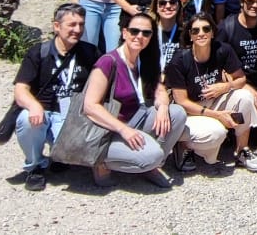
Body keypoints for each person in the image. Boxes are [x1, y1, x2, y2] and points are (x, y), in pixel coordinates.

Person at [80, 12, 188, 188]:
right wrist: (123, 130)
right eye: (134, 31)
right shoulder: (108, 62)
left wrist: (162, 107)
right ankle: (101, 162)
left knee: (176, 114)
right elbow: (90, 106)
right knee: (151, 156)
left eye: (146, 33)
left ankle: (150, 166)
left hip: (136, 119)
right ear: (124, 33)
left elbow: (158, 88)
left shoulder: (144, 59)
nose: (140, 36)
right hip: (108, 130)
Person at [10, 3, 101, 191]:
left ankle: (60, 155)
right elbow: (20, 89)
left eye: (81, 25)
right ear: (56, 26)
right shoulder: (39, 52)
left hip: (71, 114)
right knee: (28, 120)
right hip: (42, 112)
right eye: (72, 25)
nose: (78, 30)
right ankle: (36, 165)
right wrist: (33, 106)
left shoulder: (90, 52)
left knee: (75, 149)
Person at [166, 13, 257, 173]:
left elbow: (241, 79)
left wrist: (225, 87)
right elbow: (181, 102)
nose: (201, 33)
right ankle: (183, 145)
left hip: (215, 101)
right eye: (195, 30)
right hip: (190, 111)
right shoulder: (179, 61)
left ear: (212, 32)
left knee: (245, 97)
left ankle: (242, 151)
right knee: (217, 133)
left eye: (206, 29)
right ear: (190, 36)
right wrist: (217, 116)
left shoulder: (222, 50)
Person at [149, 0, 187, 69]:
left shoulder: (185, 33)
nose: (168, 6)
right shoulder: (148, 33)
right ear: (156, 8)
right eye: (162, 3)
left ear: (179, 6)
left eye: (173, 2)